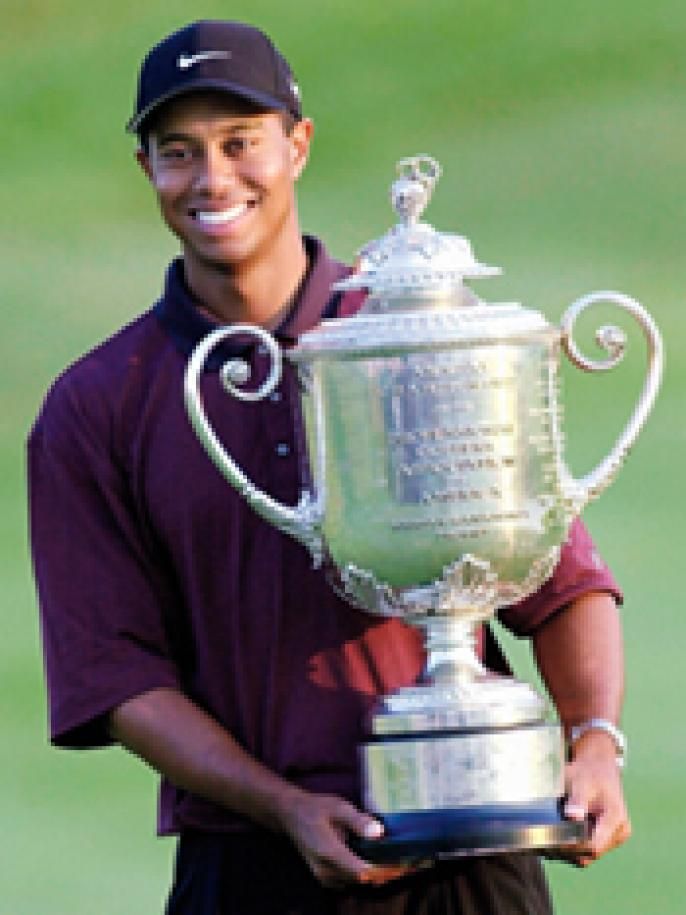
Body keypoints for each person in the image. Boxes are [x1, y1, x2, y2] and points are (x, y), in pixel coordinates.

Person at [28, 19, 631, 914]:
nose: (212, 178)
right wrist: (287, 808)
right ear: (147, 168)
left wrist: (593, 742)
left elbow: (557, 577)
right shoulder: (95, 405)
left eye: (241, 144)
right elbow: (120, 682)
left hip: (473, 848)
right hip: (249, 865)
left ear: (297, 145)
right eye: (179, 152)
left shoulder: (421, 332)